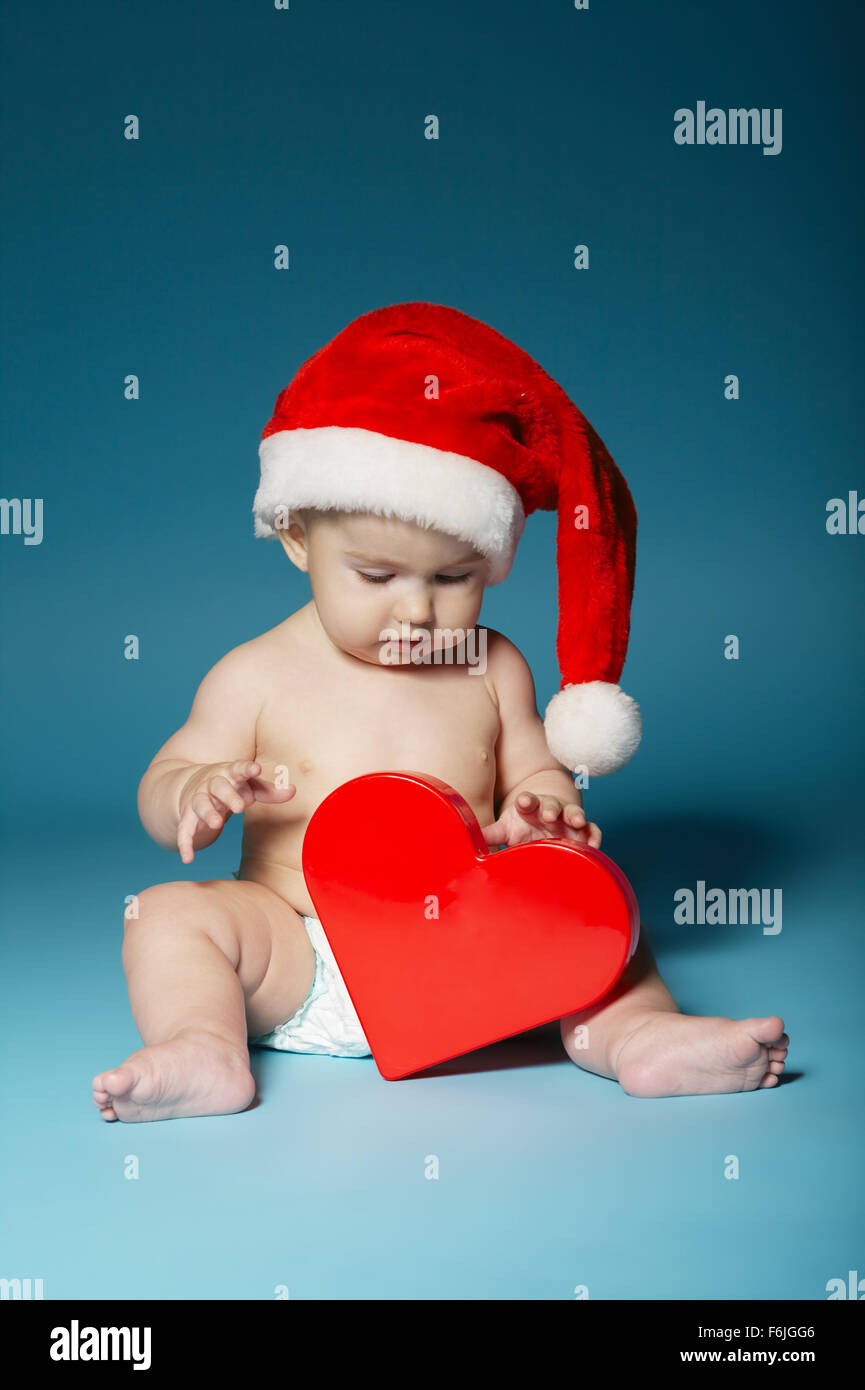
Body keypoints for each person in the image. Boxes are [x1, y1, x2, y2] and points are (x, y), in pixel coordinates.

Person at [93, 302, 787, 1122]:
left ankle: (638, 1038)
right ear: (295, 539)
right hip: (297, 953)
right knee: (168, 916)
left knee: (601, 911)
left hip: (470, 953)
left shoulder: (492, 667)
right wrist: (192, 791)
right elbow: (164, 777)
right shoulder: (255, 673)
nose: (416, 613)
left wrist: (547, 812)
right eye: (378, 577)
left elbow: (536, 768)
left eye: (452, 578)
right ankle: (205, 1049)